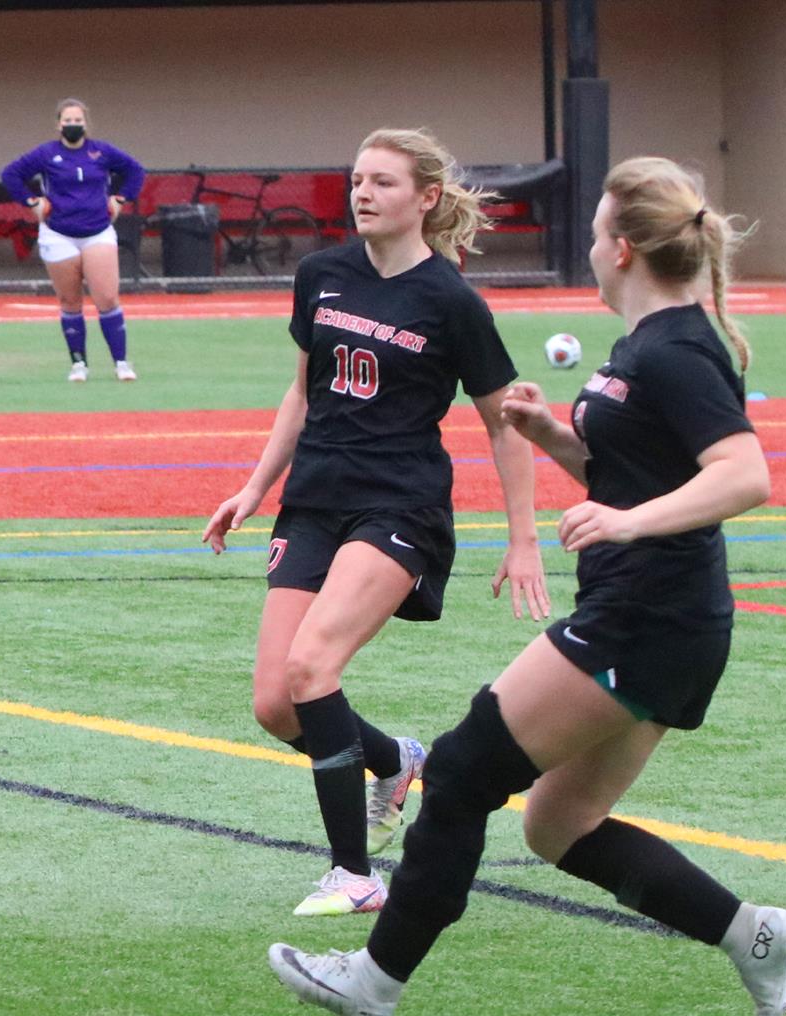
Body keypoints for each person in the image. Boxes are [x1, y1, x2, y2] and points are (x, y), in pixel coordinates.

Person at [269, 156, 786, 1016]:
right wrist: (554, 434)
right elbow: (630, 473)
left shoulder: (676, 348)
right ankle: (754, 933)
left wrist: (629, 525)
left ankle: (373, 980)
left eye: (594, 233)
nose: (589, 248)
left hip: (646, 617)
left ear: (622, 249)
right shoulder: (651, 342)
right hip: (666, 622)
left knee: (462, 768)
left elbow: (745, 475)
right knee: (559, 825)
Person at [203, 128, 548, 917]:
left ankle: (353, 876)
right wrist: (255, 489)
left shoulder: (452, 300)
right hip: (315, 500)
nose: (363, 193)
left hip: (400, 507)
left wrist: (523, 538)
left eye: (383, 182)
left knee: (313, 664)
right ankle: (394, 761)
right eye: (357, 179)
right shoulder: (320, 273)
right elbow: (301, 393)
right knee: (275, 704)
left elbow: (505, 423)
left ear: (425, 198)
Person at [0, 98, 145, 382]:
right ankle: (79, 363)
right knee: (70, 300)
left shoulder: (101, 151)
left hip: (97, 230)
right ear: (58, 124)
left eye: (78, 121)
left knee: (106, 297)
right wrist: (33, 202)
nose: (73, 126)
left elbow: (135, 171)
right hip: (58, 233)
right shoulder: (46, 153)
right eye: (68, 121)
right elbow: (11, 175)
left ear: (86, 124)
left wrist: (120, 199)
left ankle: (121, 362)